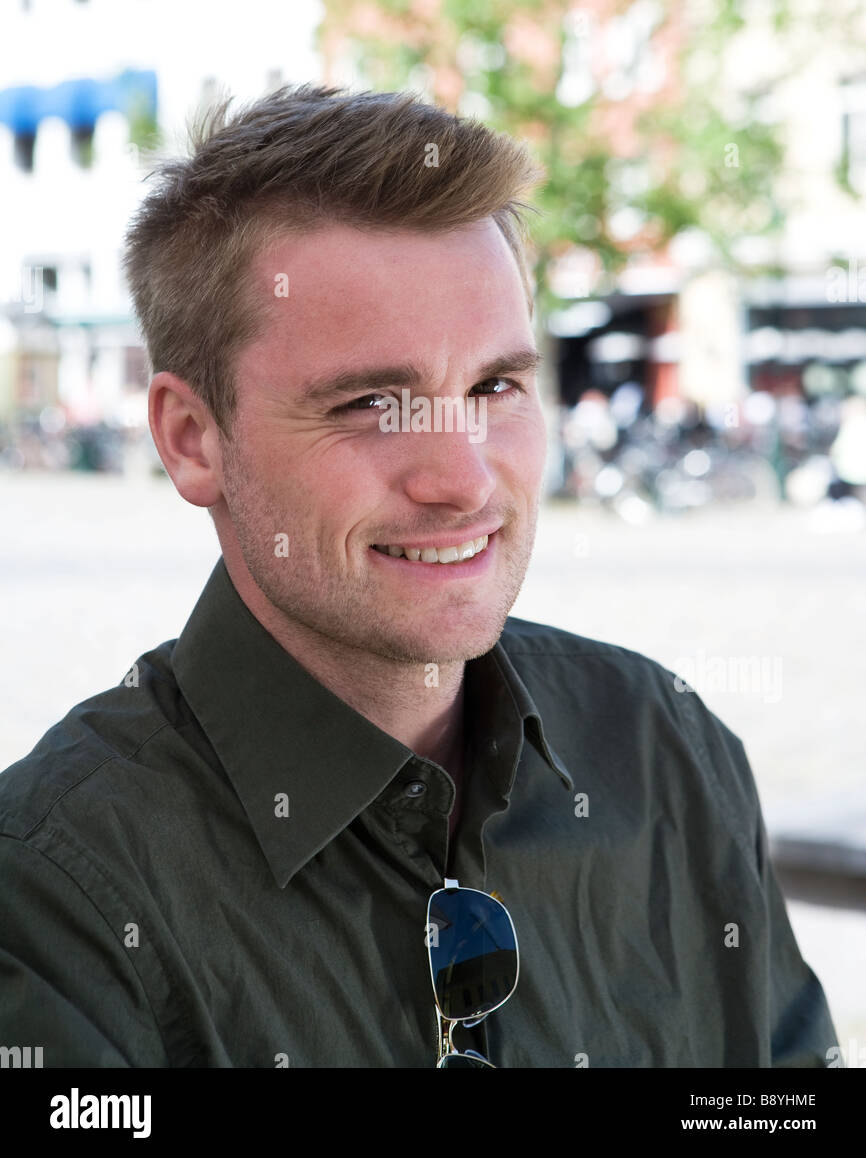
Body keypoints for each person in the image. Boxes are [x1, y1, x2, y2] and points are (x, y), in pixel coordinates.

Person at [0, 83, 838, 1067]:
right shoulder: (53, 891)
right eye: (366, 403)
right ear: (193, 439)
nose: (463, 477)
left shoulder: (667, 745)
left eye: (493, 386)